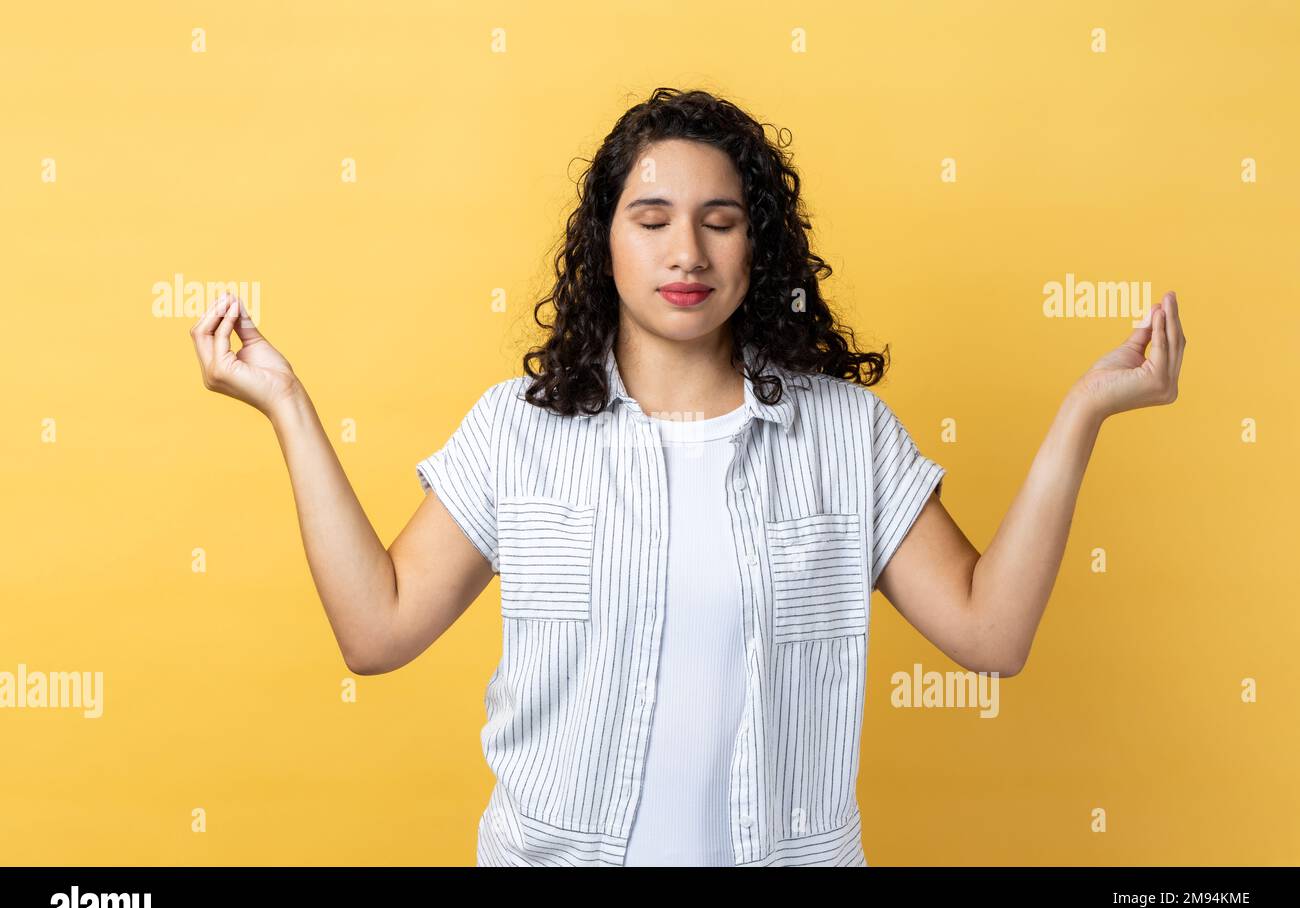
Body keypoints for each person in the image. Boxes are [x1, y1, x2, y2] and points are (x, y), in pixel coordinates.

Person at [188, 88, 1186, 866]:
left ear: (759, 243)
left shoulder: (843, 435)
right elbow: (376, 629)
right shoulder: (517, 432)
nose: (686, 250)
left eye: (720, 218)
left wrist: (1082, 411)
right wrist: (286, 402)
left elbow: (991, 633)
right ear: (605, 242)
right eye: (652, 215)